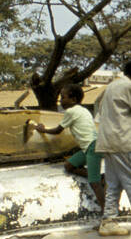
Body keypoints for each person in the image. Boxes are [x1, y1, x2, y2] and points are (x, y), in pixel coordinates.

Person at [95, 58, 131, 236]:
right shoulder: (130, 87)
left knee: (114, 184)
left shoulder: (112, 86)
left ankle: (108, 220)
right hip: (123, 141)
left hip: (108, 141)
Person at [30, 83, 104, 213]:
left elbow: (58, 130)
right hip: (91, 146)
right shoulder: (84, 110)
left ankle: (108, 213)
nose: (61, 101)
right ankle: (100, 177)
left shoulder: (71, 111)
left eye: (63, 98)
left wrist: (42, 129)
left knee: (94, 184)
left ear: (73, 99)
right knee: (69, 165)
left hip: (92, 147)